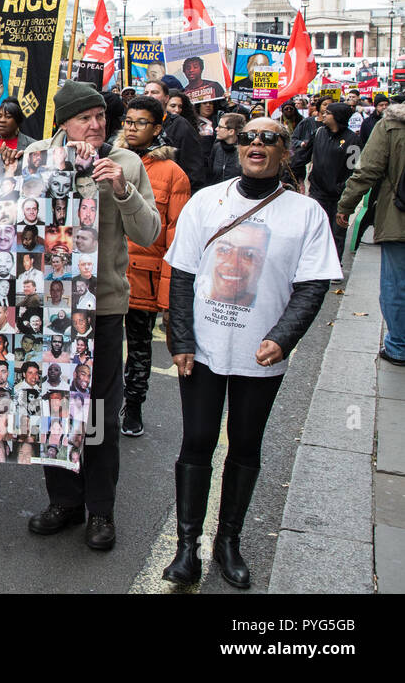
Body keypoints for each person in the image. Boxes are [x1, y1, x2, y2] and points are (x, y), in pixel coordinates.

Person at [163, 118, 340, 588]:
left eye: (269, 138)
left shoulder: (306, 214)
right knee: (197, 442)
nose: (256, 144)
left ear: (287, 150)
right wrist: (180, 340)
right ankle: (187, 548)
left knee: (245, 444)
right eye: (248, 138)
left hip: (261, 354)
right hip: (202, 350)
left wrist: (283, 337)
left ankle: (229, 543)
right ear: (237, 147)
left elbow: (312, 285)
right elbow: (181, 275)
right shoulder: (207, 201)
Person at [9, 79, 159, 551]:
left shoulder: (128, 162)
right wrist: (6, 180)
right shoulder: (34, 157)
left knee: (98, 415)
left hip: (105, 309)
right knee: (53, 407)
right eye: (84, 118)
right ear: (63, 123)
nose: (96, 126)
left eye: (100, 117)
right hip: (46, 306)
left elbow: (151, 231)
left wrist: (122, 189)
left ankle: (100, 511)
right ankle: (65, 502)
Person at [115, 96, 191, 437]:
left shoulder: (173, 174)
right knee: (99, 347)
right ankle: (99, 407)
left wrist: (168, 300)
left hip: (144, 279)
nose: (132, 128)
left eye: (141, 122)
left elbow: (176, 238)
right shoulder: (109, 159)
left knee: (140, 349)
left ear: (157, 127)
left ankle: (133, 406)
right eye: (128, 121)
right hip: (107, 274)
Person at [337, 96, 405, 366]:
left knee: (397, 285)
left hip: (399, 219)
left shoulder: (392, 125)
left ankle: (398, 346)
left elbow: (367, 170)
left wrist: (346, 205)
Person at [290, 102, 359, 260]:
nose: (324, 115)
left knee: (336, 233)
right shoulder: (319, 132)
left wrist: (342, 188)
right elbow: (302, 156)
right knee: (315, 229)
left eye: (328, 113)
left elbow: (353, 169)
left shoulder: (353, 140)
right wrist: (289, 167)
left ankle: (335, 263)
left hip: (338, 197)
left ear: (338, 117)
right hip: (317, 192)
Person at [144, 79, 207, 190]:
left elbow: (193, 170)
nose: (149, 96)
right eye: (146, 93)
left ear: (166, 98)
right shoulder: (138, 124)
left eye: (154, 92)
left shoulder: (181, 125)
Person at [210, 112, 246, 182]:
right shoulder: (217, 148)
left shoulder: (244, 150)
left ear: (231, 131)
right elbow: (210, 172)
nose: (216, 129)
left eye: (220, 127)